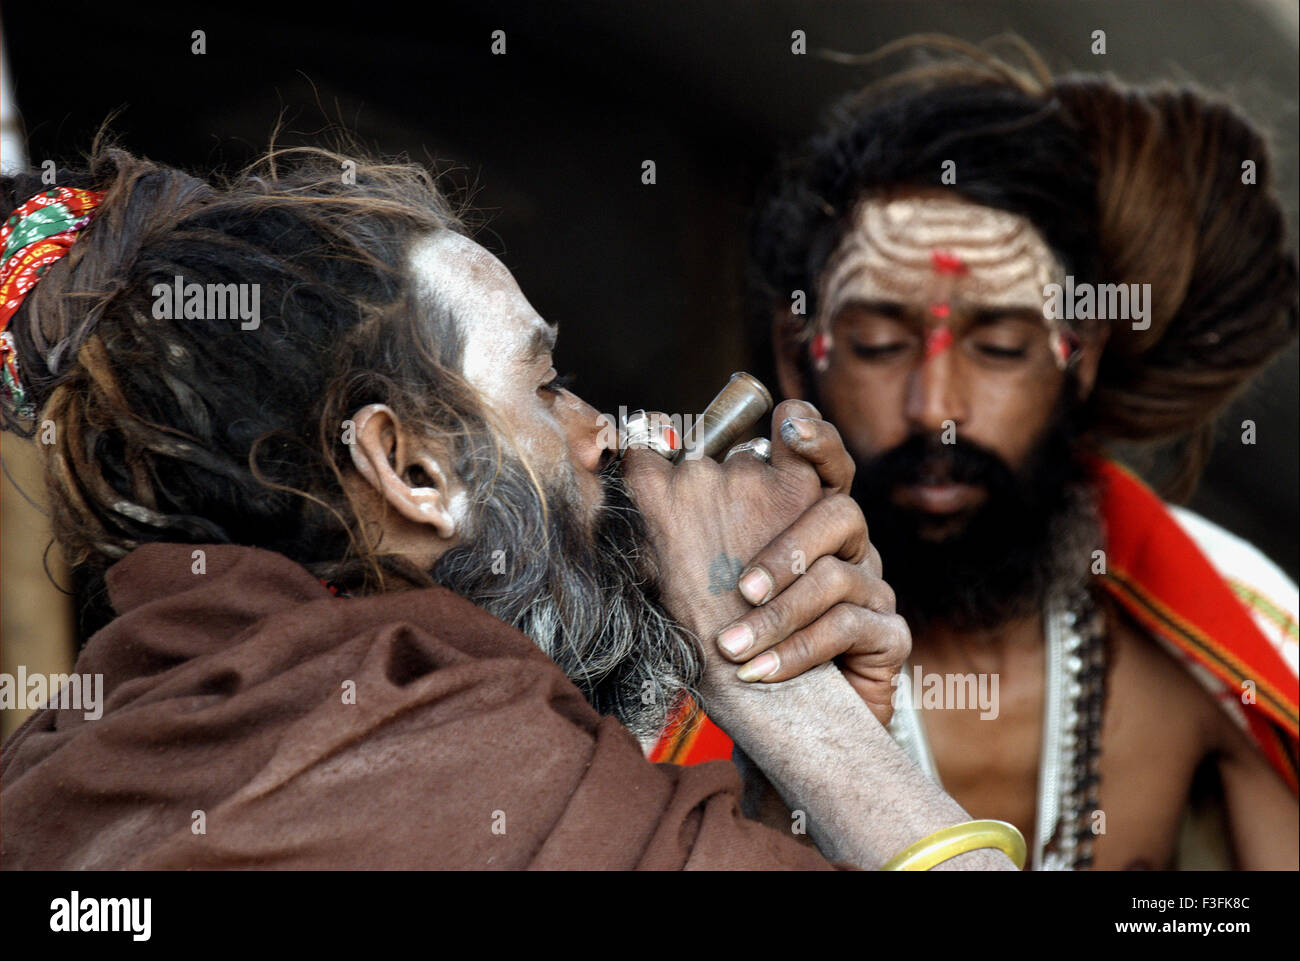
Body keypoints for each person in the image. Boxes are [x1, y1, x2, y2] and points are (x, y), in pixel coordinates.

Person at [0, 140, 1019, 870]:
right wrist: (786, 695)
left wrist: (801, 761)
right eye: (547, 388)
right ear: (411, 471)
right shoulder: (456, 756)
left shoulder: (75, 751)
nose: (603, 435)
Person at [653, 41, 1299, 870]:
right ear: (797, 350)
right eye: (881, 344)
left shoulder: (1222, 632)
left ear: (1081, 353)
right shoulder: (684, 637)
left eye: (997, 347)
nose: (936, 409)